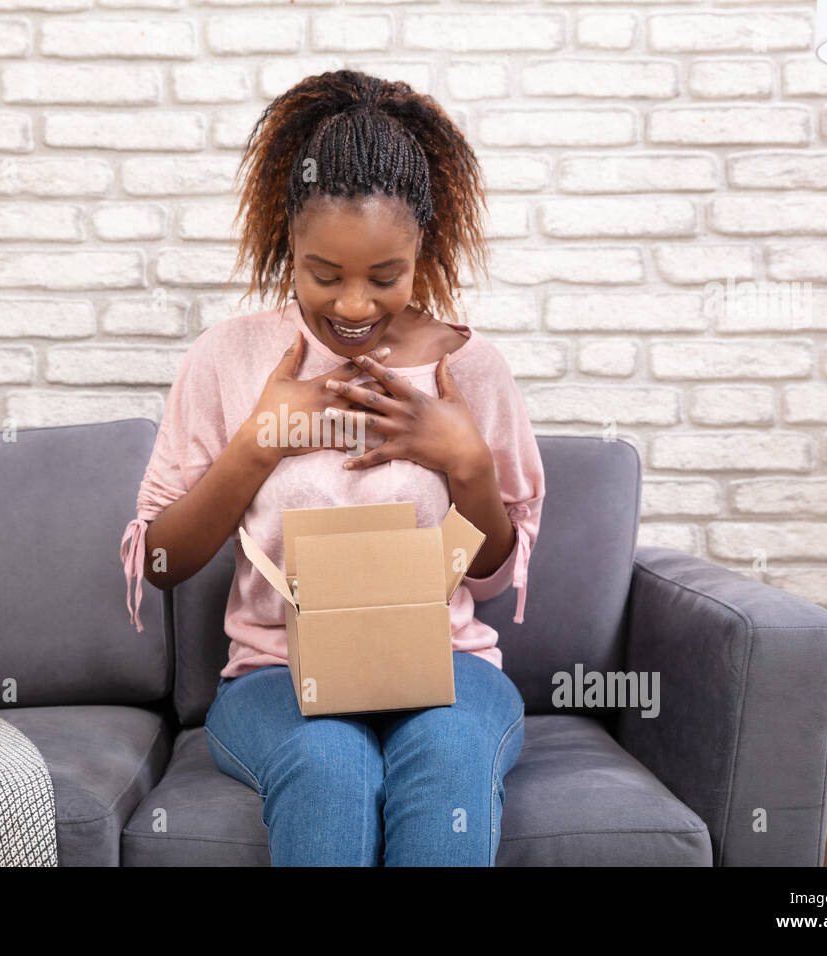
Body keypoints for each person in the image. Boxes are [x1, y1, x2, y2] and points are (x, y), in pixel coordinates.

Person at [119, 69, 545, 866]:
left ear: (425, 247)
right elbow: (167, 563)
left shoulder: (472, 370)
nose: (354, 305)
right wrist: (262, 439)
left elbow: (489, 576)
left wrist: (466, 464)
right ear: (289, 244)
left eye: (385, 276)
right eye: (325, 274)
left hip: (447, 665)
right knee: (329, 761)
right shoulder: (229, 360)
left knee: (448, 757)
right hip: (275, 674)